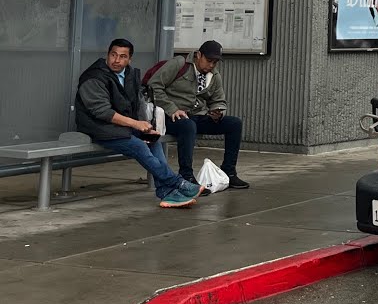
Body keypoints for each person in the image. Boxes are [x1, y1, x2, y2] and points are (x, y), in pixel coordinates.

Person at [76, 39, 203, 208]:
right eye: (113, 55)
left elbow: (139, 103)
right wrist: (136, 125)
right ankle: (177, 184)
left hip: (122, 127)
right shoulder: (93, 77)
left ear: (129, 59)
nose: (116, 60)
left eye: (122, 56)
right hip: (98, 128)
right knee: (139, 146)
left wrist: (146, 127)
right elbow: (102, 112)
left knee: (152, 141)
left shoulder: (129, 74)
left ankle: (167, 193)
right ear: (107, 55)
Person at [149, 40, 249, 190]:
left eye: (215, 62)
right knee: (188, 125)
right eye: (209, 61)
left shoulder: (214, 75)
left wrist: (218, 112)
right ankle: (186, 176)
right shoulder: (179, 64)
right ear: (198, 55)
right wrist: (172, 108)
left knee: (234, 124)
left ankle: (229, 172)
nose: (211, 65)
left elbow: (219, 100)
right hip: (172, 117)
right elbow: (153, 85)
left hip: (197, 116)